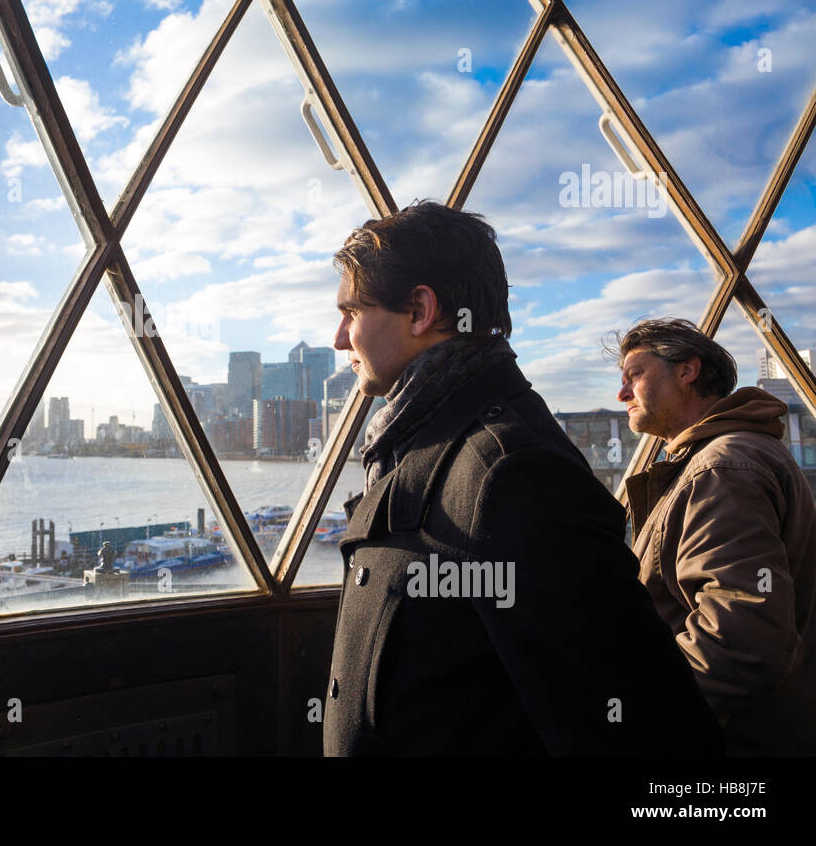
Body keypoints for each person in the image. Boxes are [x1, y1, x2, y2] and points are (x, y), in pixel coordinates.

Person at [322, 201, 721, 755]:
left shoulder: (512, 474)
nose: (340, 339)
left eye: (351, 312)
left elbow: (646, 729)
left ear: (419, 310)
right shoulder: (418, 447)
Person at [616, 317, 816, 754]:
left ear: (688, 371)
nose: (622, 393)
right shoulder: (731, 455)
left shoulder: (723, 468)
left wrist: (639, 718)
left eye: (635, 375)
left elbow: (740, 640)